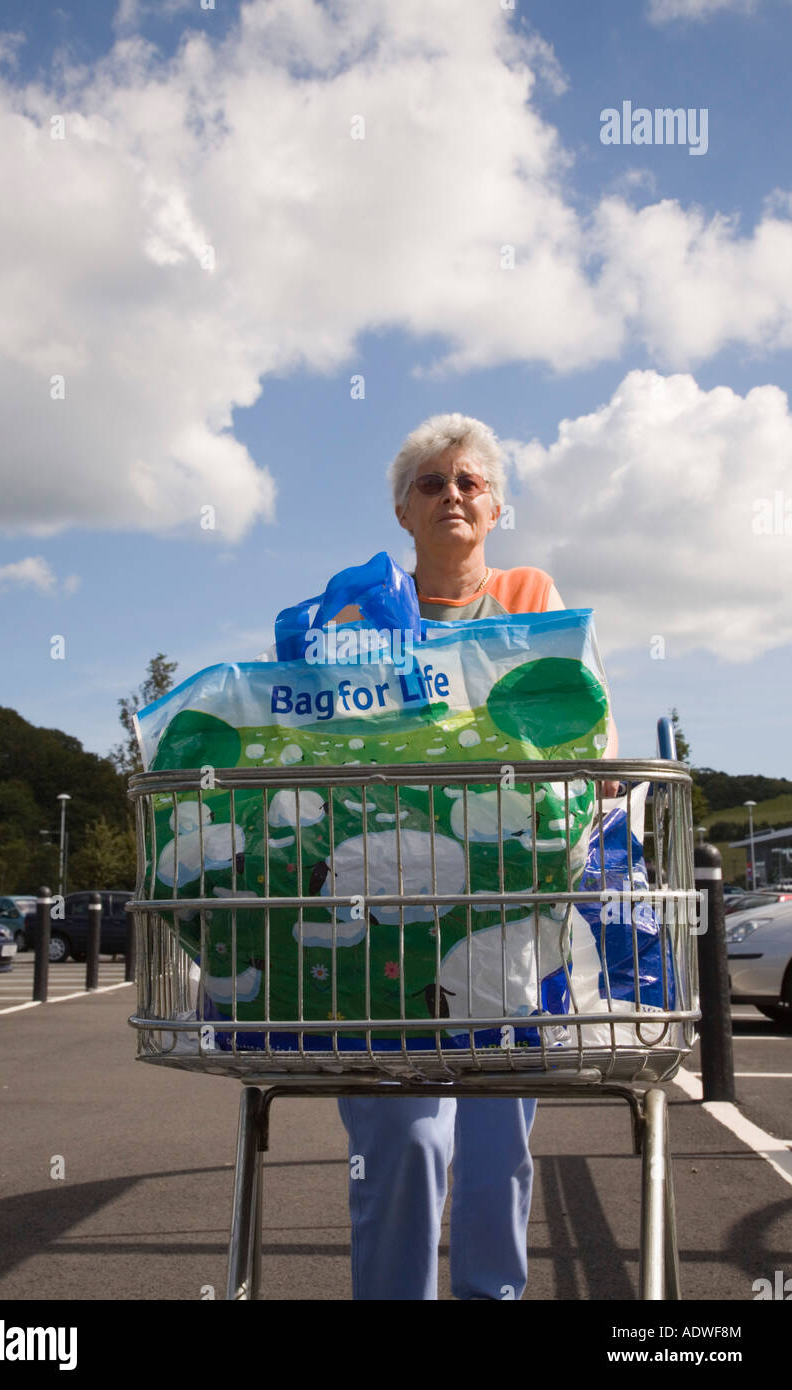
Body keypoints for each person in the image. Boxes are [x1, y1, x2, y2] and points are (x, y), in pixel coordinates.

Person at [334, 412, 619, 1300]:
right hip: (388, 920)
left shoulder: (529, 593)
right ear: (402, 512)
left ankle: (492, 1296)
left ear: (495, 507)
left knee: (499, 1152)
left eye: (469, 483)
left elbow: (583, 729)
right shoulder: (355, 614)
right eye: (431, 483)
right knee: (411, 1143)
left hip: (508, 919)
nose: (452, 495)